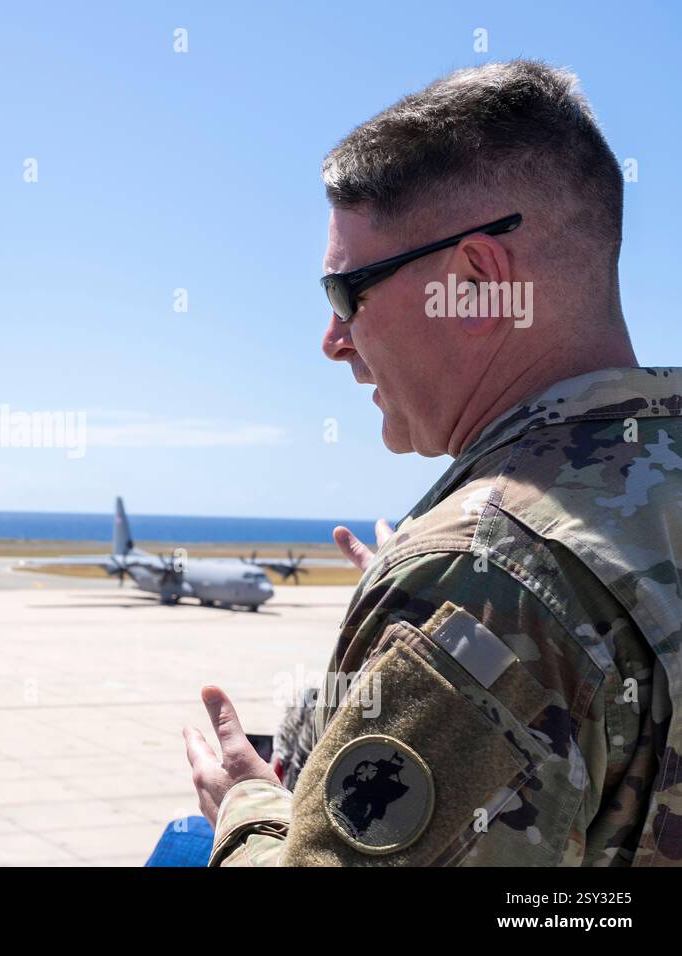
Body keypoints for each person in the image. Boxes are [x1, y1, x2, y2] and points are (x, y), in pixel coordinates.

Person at [184, 60, 682, 866]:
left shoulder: (485, 578)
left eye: (349, 293)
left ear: (480, 283)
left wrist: (251, 815)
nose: (333, 340)